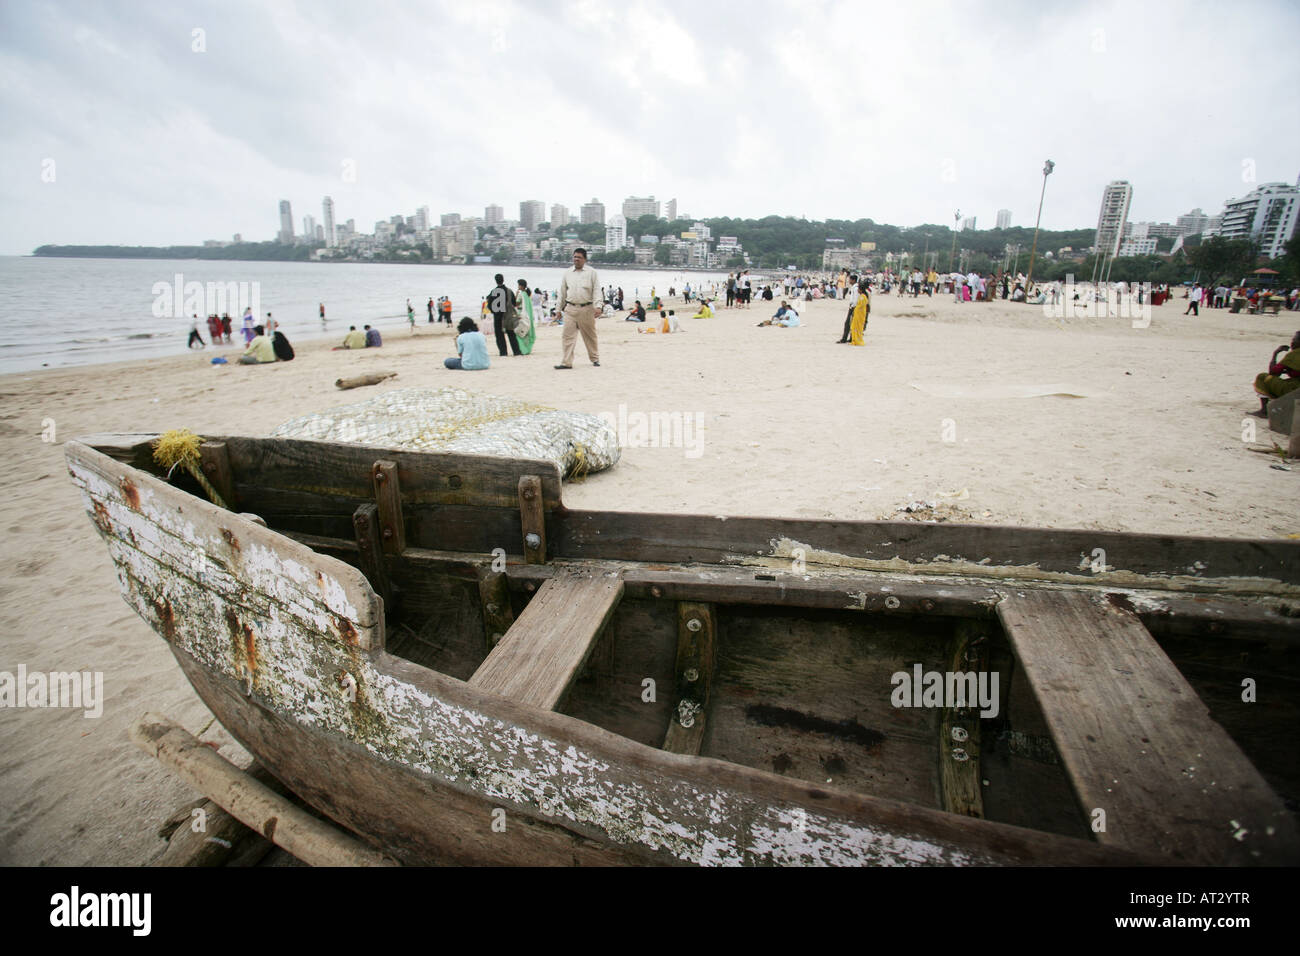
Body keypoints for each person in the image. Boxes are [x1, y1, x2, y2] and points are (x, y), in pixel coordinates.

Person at [555, 248, 601, 369]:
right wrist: (558, 309)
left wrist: (598, 306)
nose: (576, 259)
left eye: (579, 257)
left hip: (586, 308)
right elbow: (562, 292)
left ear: (585, 259)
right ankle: (566, 362)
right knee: (567, 336)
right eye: (575, 257)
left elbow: (596, 290)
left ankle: (595, 358)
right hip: (570, 308)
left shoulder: (592, 273)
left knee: (590, 336)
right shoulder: (567, 273)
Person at [1254, 331, 1300, 412]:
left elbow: (1273, 372)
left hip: (1295, 390)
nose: (1292, 343)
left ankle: (1264, 411)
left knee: (1262, 377)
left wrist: (1275, 353)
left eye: (1294, 340)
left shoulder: (1293, 355)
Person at [486, 273, 520, 356]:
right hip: (508, 315)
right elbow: (514, 303)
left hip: (498, 316)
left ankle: (503, 352)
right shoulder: (509, 291)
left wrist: (494, 312)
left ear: (495, 281)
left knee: (499, 335)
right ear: (503, 280)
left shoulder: (494, 291)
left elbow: (489, 304)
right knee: (511, 333)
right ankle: (516, 351)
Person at [515, 279, 537, 355]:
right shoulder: (527, 294)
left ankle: (522, 349)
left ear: (521, 286)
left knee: (519, 332)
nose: (518, 286)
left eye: (518, 285)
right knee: (526, 333)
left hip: (522, 314)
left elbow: (516, 304)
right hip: (528, 315)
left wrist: (516, 294)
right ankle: (527, 349)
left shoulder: (521, 294)